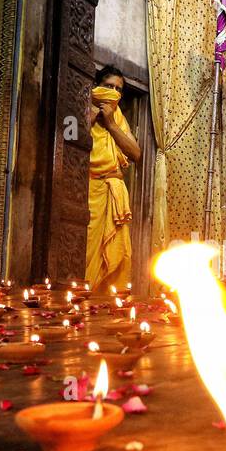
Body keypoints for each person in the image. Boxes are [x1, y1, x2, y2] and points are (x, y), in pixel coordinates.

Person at [86, 66, 141, 290]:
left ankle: (110, 304)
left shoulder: (118, 117)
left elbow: (135, 153)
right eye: (108, 86)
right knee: (90, 252)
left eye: (118, 89)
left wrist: (110, 124)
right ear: (96, 86)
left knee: (120, 255)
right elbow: (68, 138)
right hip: (91, 191)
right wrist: (91, 117)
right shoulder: (79, 109)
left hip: (115, 194)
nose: (113, 92)